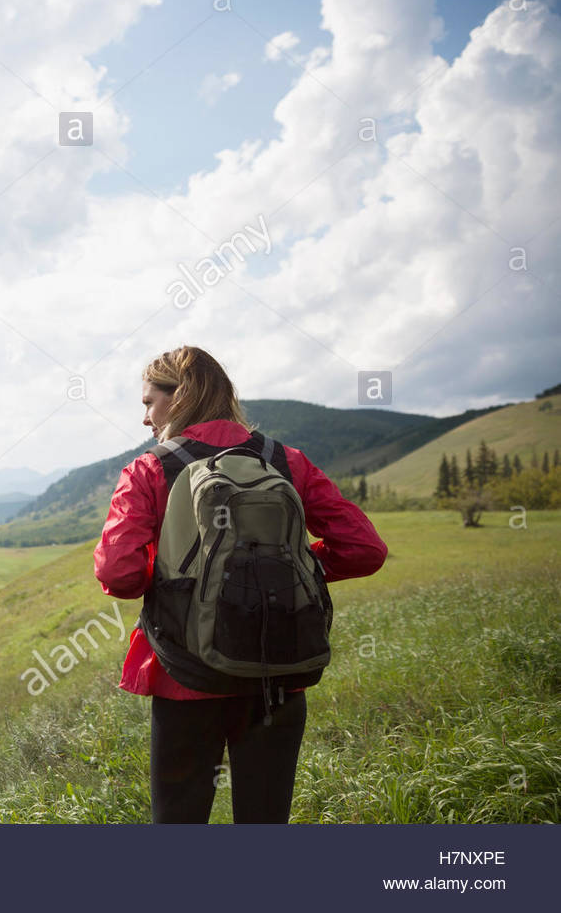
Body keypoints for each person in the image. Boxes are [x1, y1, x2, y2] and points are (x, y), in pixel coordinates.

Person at [93, 345, 388, 823]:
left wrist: (188, 578)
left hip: (186, 678)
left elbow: (118, 574)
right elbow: (365, 550)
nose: (146, 418)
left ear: (180, 395)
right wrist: (285, 568)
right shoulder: (286, 461)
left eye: (149, 402)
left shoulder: (150, 469)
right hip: (277, 670)